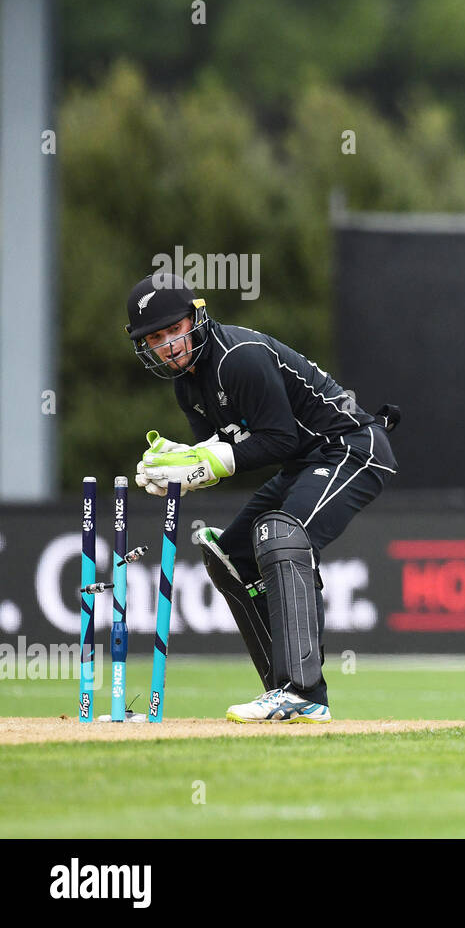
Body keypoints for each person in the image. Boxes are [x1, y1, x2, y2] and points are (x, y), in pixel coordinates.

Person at [124, 273, 399, 723]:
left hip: (353, 449)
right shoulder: (187, 386)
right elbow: (224, 451)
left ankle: (303, 691)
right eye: (156, 338)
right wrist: (185, 466)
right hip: (305, 462)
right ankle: (280, 688)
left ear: (196, 316)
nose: (169, 344)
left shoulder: (239, 359)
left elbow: (278, 439)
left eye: (174, 329)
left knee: (280, 534)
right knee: (227, 555)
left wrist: (205, 463)